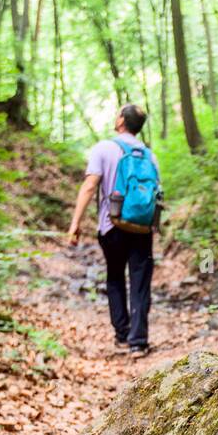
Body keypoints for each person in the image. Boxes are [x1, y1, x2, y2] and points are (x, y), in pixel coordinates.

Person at [67, 104, 159, 355]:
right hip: (142, 228)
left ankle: (121, 336)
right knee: (140, 282)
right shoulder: (149, 155)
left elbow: (89, 186)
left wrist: (75, 223)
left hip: (112, 225)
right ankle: (138, 342)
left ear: (121, 120)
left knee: (115, 277)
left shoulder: (104, 148)